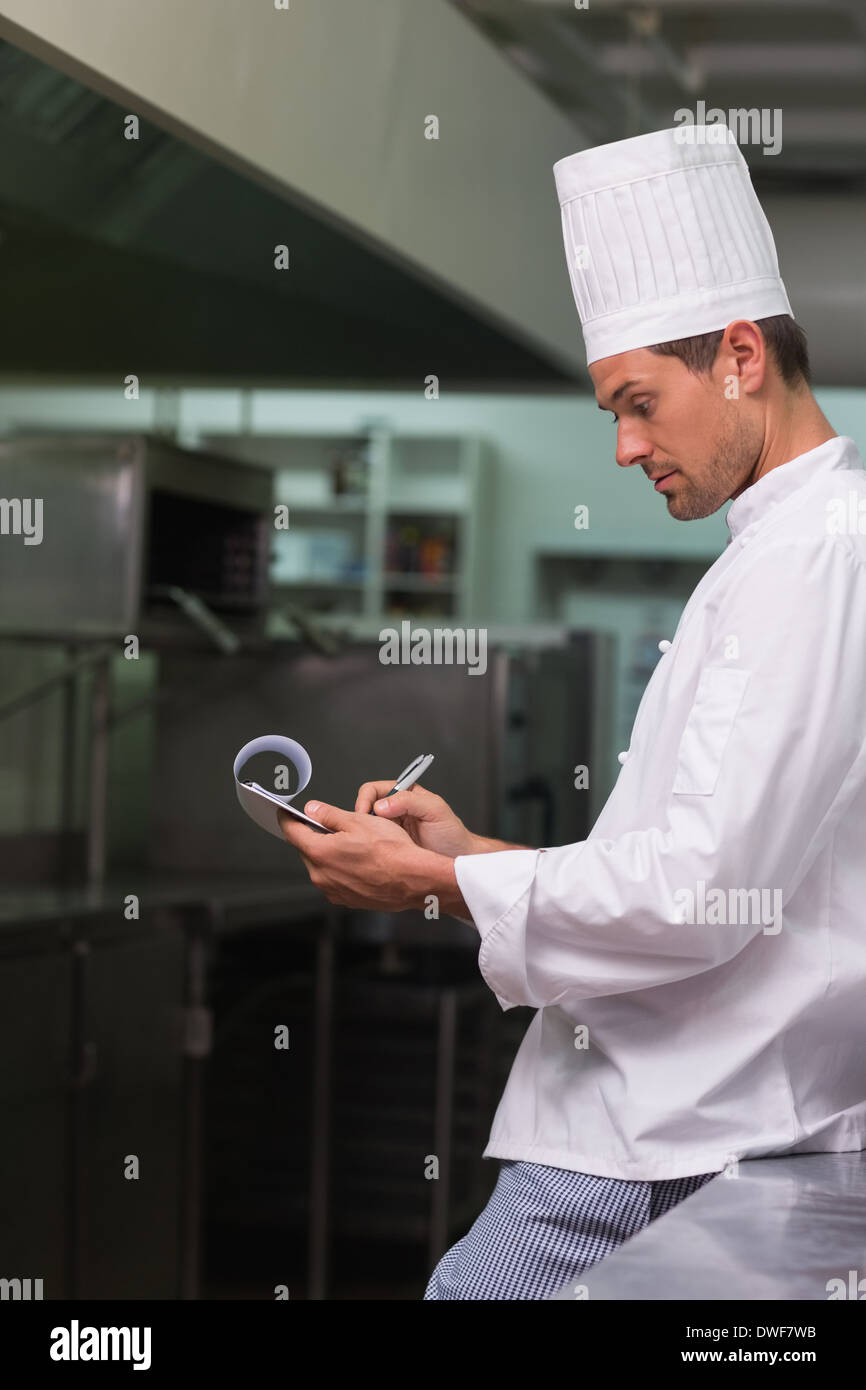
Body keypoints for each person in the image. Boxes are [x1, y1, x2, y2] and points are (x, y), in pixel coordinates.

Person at [279, 126, 866, 1300]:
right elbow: (697, 870)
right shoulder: (788, 551)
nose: (622, 446)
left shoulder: (812, 559)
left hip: (667, 1128)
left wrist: (431, 886)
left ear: (740, 356)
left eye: (638, 402)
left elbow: (699, 896)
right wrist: (466, 853)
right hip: (695, 1111)